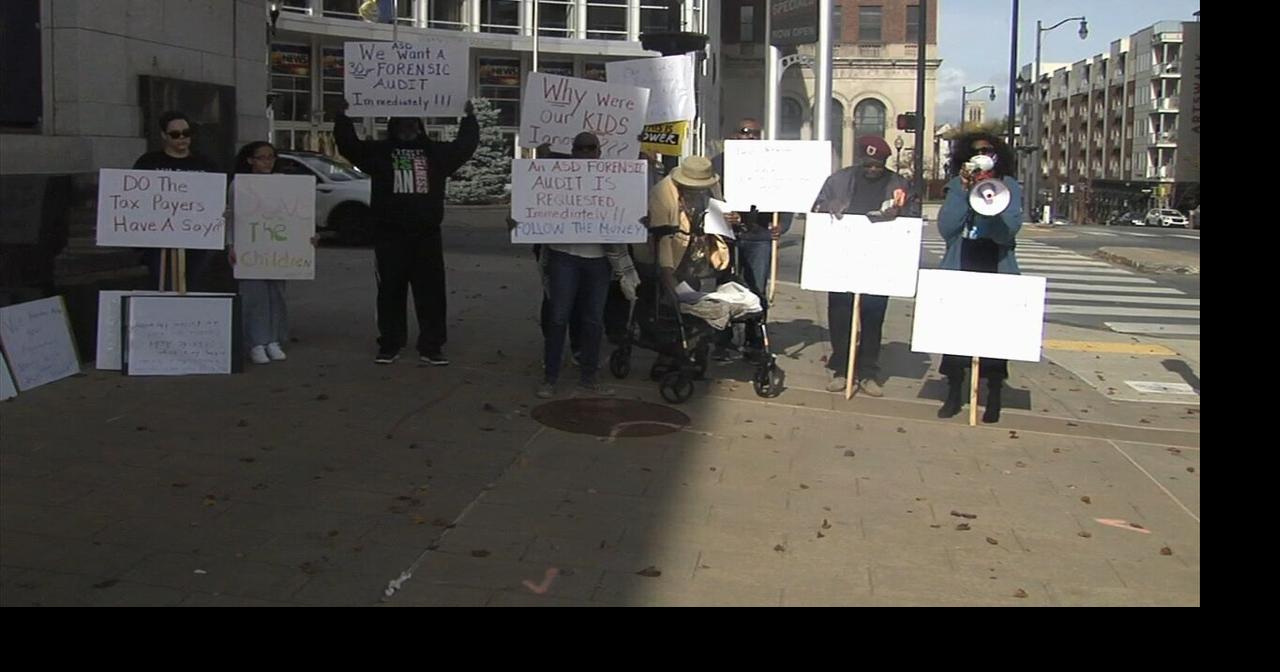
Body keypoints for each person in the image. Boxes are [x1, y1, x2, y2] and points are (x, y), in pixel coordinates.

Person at [334, 101, 479, 365]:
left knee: (432, 293)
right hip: (390, 236)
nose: (407, 127)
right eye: (402, 122)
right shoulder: (380, 152)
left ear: (420, 127)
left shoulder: (434, 153)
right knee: (390, 291)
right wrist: (342, 117)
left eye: (412, 122)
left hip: (427, 235)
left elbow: (464, 147)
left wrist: (469, 119)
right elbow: (349, 146)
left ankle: (432, 346)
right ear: (393, 126)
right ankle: (390, 343)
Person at [513, 132, 640, 399]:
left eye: (590, 148)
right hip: (563, 257)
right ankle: (550, 377)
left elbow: (629, 212)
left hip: (599, 261)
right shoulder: (558, 178)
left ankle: (589, 377)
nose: (585, 152)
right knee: (558, 317)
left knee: (593, 320)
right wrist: (518, 222)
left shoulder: (614, 180)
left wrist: (638, 219)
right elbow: (528, 205)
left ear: (598, 151)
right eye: (580, 148)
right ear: (572, 150)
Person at [811, 135, 910, 397]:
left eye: (878, 165)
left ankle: (867, 371)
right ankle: (843, 368)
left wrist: (898, 212)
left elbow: (912, 218)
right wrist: (827, 205)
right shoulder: (839, 180)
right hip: (842, 257)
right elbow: (816, 206)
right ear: (860, 161)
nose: (873, 170)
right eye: (868, 165)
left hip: (879, 260)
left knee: (873, 316)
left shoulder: (898, 184)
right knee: (841, 314)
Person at [934, 131, 1024, 423]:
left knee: (994, 339)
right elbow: (947, 229)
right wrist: (963, 189)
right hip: (963, 263)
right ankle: (954, 391)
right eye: (975, 152)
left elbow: (1006, 231)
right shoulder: (956, 187)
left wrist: (987, 201)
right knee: (956, 336)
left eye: (987, 151)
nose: (982, 156)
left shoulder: (1008, 187)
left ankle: (994, 392)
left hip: (995, 264)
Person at [227, 141, 316, 365]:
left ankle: (273, 339)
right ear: (250, 160)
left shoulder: (284, 185)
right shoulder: (239, 185)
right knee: (253, 296)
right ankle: (256, 342)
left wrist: (308, 238)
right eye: (261, 157)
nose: (267, 162)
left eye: (270, 157)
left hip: (278, 248)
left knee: (276, 295)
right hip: (251, 247)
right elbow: (231, 218)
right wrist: (231, 245)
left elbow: (299, 216)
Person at [710, 118, 791, 362]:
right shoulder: (719, 163)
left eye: (756, 133)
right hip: (728, 236)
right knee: (725, 289)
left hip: (759, 236)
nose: (751, 137)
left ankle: (754, 340)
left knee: (756, 289)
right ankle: (722, 340)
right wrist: (724, 215)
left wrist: (781, 226)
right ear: (735, 135)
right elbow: (707, 195)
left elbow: (786, 194)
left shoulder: (771, 163)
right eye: (745, 132)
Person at [132, 111, 221, 291]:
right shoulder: (148, 162)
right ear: (164, 135)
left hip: (197, 238)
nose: (182, 138)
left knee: (194, 284)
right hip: (158, 238)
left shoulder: (205, 163)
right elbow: (135, 197)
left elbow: (216, 198)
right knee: (161, 285)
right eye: (175, 134)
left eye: (186, 133)